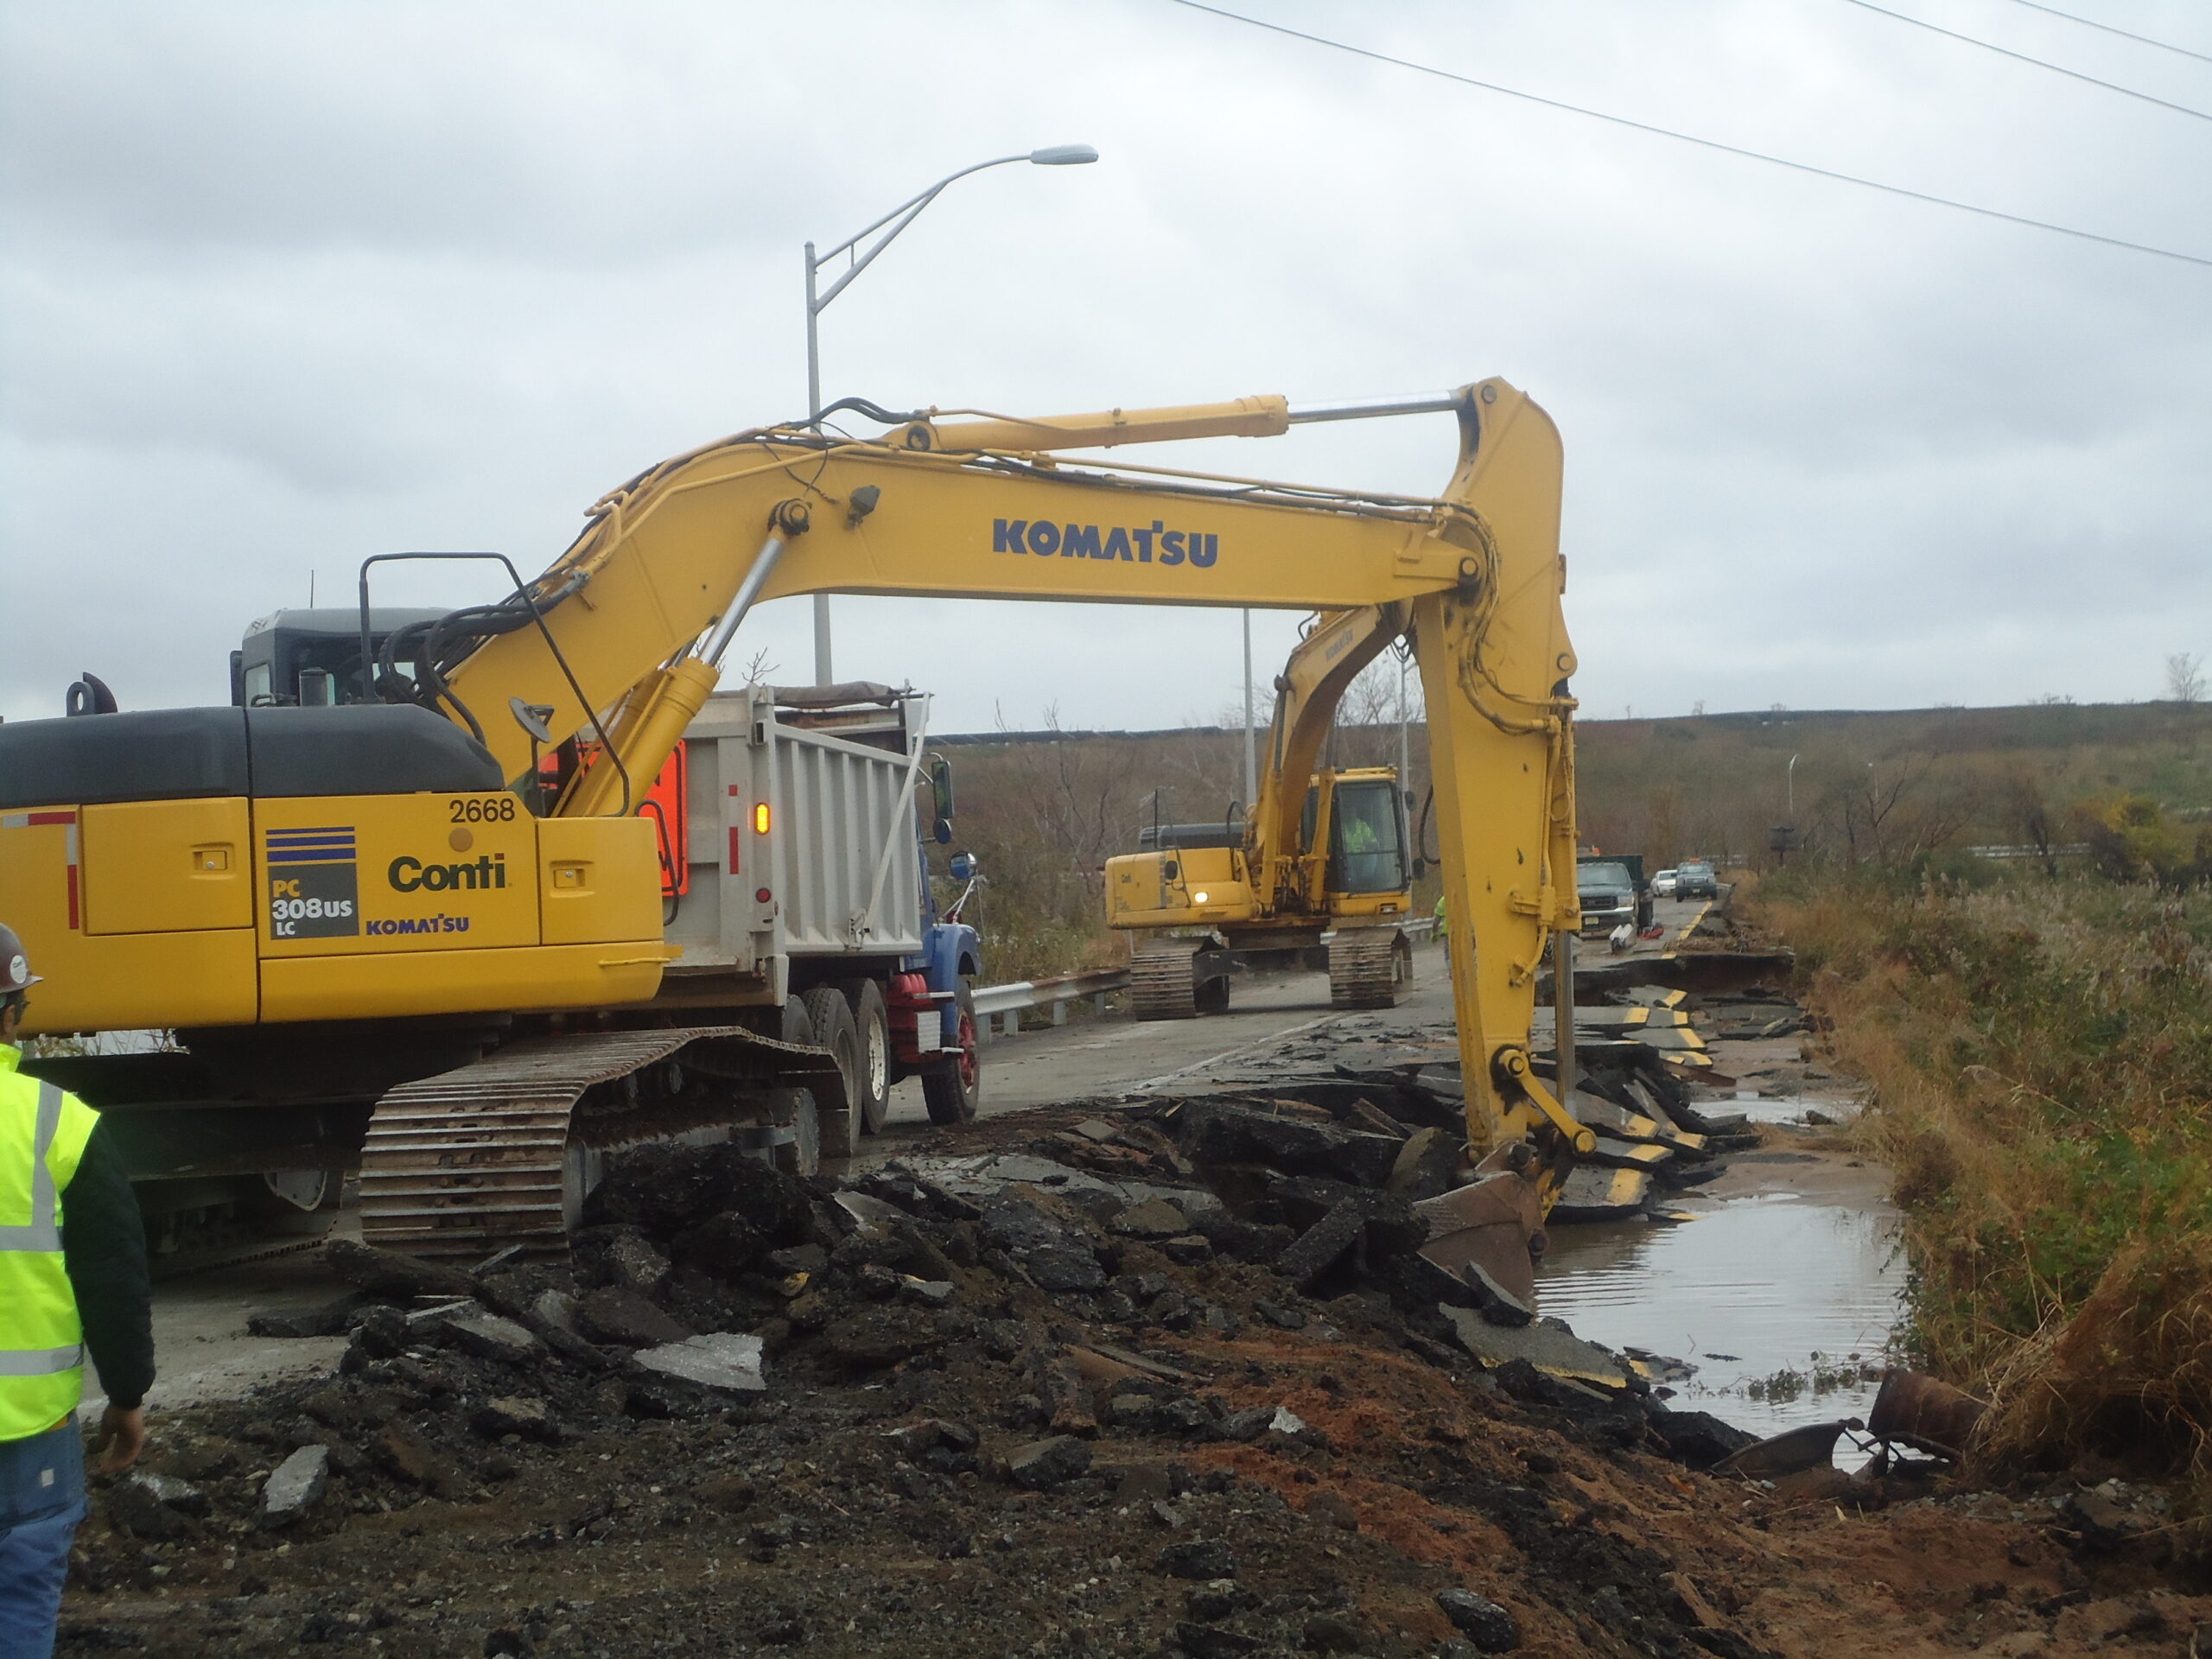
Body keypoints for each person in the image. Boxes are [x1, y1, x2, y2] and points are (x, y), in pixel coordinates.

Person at [0, 925, 152, 1659]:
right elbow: (113, 1274)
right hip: (31, 1430)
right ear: (12, 1013)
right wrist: (126, 1397)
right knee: (23, 1596)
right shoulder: (58, 1124)